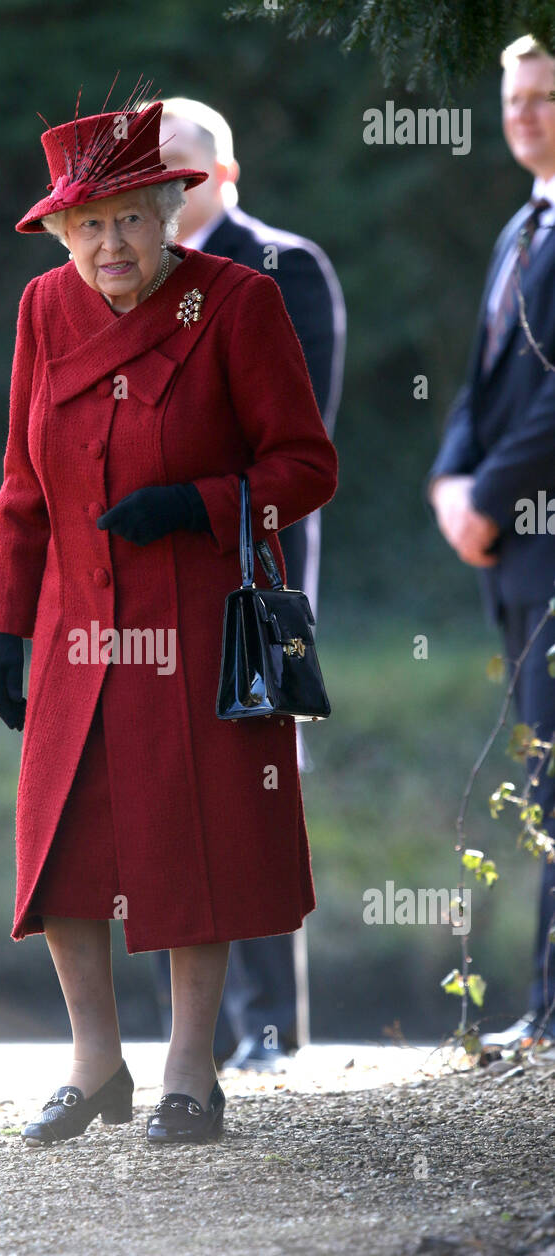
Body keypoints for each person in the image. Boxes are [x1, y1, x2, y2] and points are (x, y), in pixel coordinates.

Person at [0, 80, 338, 1146]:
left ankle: (192, 1067)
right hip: (75, 620)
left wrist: (202, 501)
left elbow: (306, 466)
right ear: (60, 232)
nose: (110, 244)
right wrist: (5, 626)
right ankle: (95, 1063)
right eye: (87, 225)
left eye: (129, 217)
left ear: (170, 210)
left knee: (198, 839)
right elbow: (19, 483)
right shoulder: (42, 311)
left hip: (193, 621)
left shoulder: (236, 301)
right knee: (65, 839)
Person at [150, 96, 346, 1072]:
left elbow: (298, 444)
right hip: (144, 583)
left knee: (251, 787)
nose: (161, 185)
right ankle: (185, 1037)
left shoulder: (285, 268)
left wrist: (187, 490)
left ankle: (268, 1029)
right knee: (154, 790)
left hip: (247, 580)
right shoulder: (125, 280)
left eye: (179, 166)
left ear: (224, 176)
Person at [426, 35, 555, 1048]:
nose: (522, 113)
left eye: (542, 96)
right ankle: (545, 1009)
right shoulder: (518, 226)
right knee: (541, 775)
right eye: (513, 97)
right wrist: (446, 480)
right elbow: (481, 383)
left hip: (542, 536)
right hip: (508, 549)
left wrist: (490, 493)